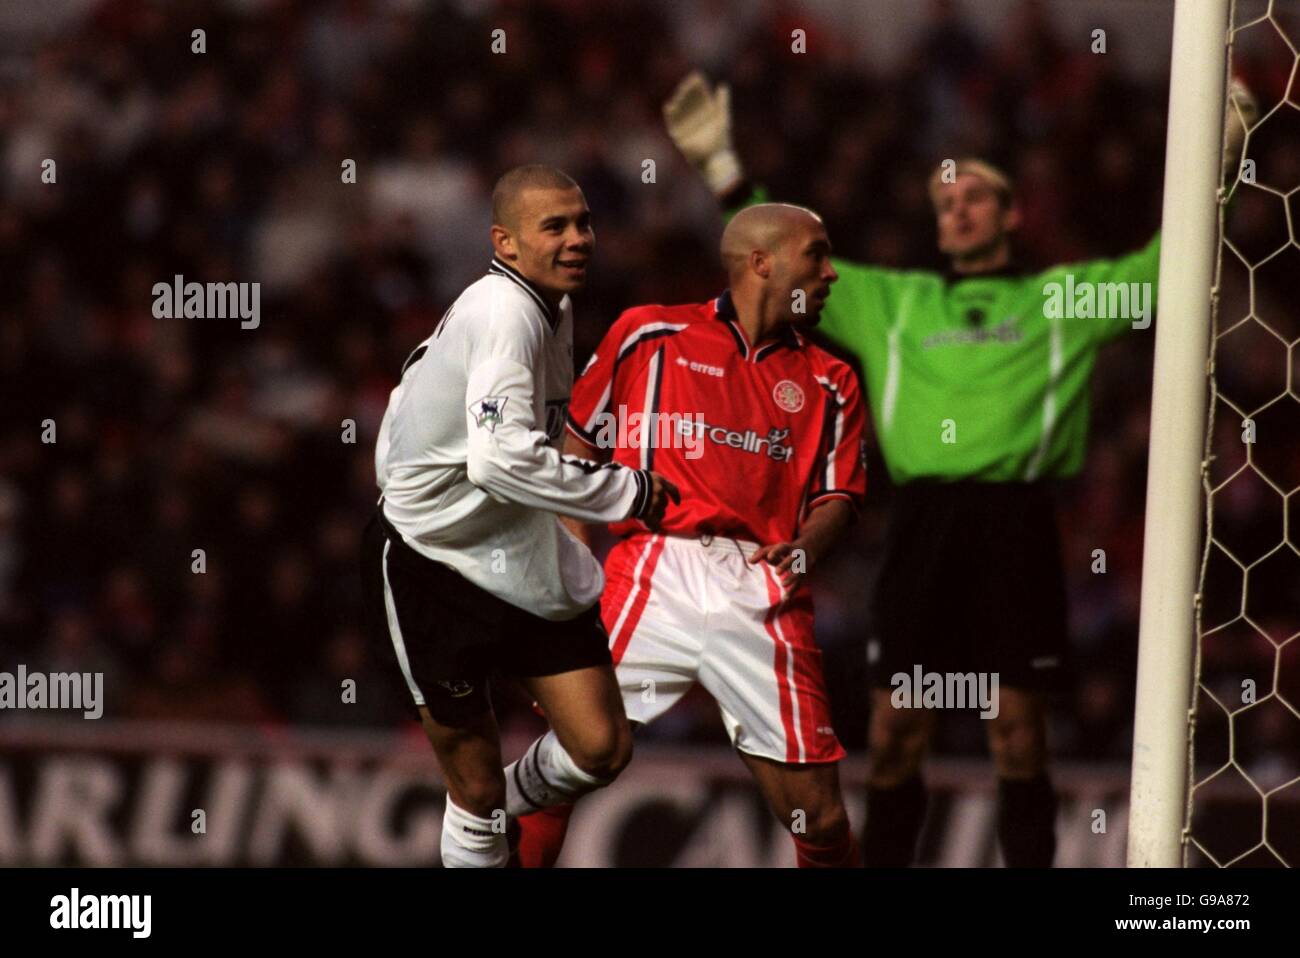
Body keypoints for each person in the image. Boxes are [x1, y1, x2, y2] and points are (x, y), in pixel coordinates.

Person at [661, 70, 1255, 867]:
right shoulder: (892, 303)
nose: (959, 209)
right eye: (947, 202)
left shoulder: (1061, 301)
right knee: (897, 730)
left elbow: (1166, 268)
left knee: (1015, 731)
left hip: (1015, 525)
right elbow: (777, 257)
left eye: (976, 197)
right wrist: (723, 166)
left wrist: (1217, 163)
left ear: (1010, 215)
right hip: (922, 528)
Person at [514, 203, 867, 868]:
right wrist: (572, 574)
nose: (831, 273)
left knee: (817, 815)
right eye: (816, 255)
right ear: (762, 262)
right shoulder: (648, 334)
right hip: (651, 565)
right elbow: (576, 452)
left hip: (763, 583)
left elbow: (838, 496)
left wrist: (808, 547)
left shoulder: (832, 380)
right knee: (572, 755)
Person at [360, 165, 679, 868]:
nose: (578, 239)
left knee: (601, 747)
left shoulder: (547, 305)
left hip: (514, 543)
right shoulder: (505, 314)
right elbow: (498, 459)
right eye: (555, 226)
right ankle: (478, 825)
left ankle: (482, 823)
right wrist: (625, 494)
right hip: (433, 561)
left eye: (584, 223)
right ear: (504, 242)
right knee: (471, 786)